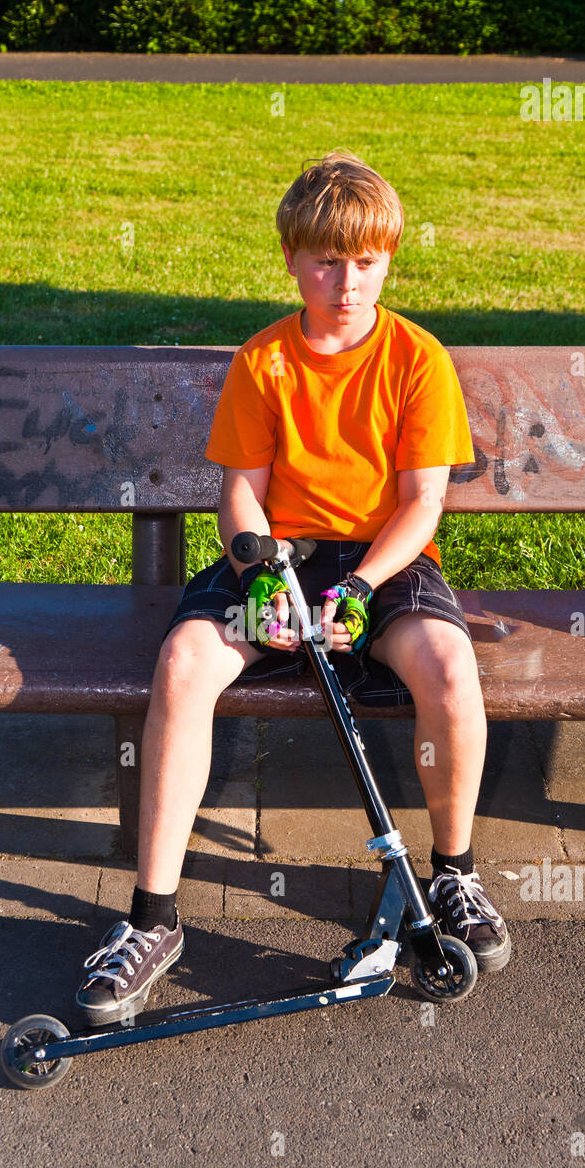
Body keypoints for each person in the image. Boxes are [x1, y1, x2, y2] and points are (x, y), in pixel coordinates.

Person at [75, 149, 510, 1026]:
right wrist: (259, 571)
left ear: (388, 260)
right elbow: (240, 488)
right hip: (279, 554)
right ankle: (152, 920)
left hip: (380, 560)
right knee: (185, 664)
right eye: (325, 261)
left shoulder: (417, 360)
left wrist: (357, 587)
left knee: (451, 670)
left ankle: (454, 874)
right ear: (290, 260)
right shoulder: (264, 361)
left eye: (365, 262)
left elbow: (423, 502)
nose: (346, 283)